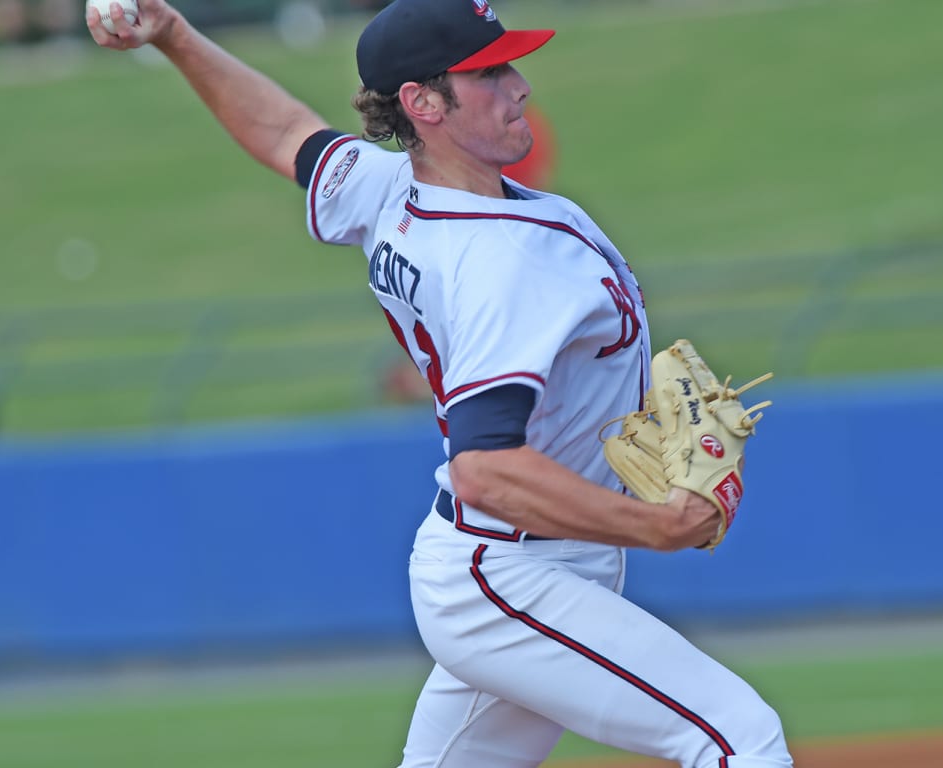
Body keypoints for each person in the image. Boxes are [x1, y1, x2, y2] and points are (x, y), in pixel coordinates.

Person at [86, 1, 792, 766]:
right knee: (737, 737)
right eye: (487, 73)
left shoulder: (393, 191)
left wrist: (174, 34)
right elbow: (482, 469)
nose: (518, 85)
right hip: (510, 575)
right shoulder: (500, 268)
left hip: (507, 565)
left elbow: (287, 135)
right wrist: (658, 528)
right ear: (423, 104)